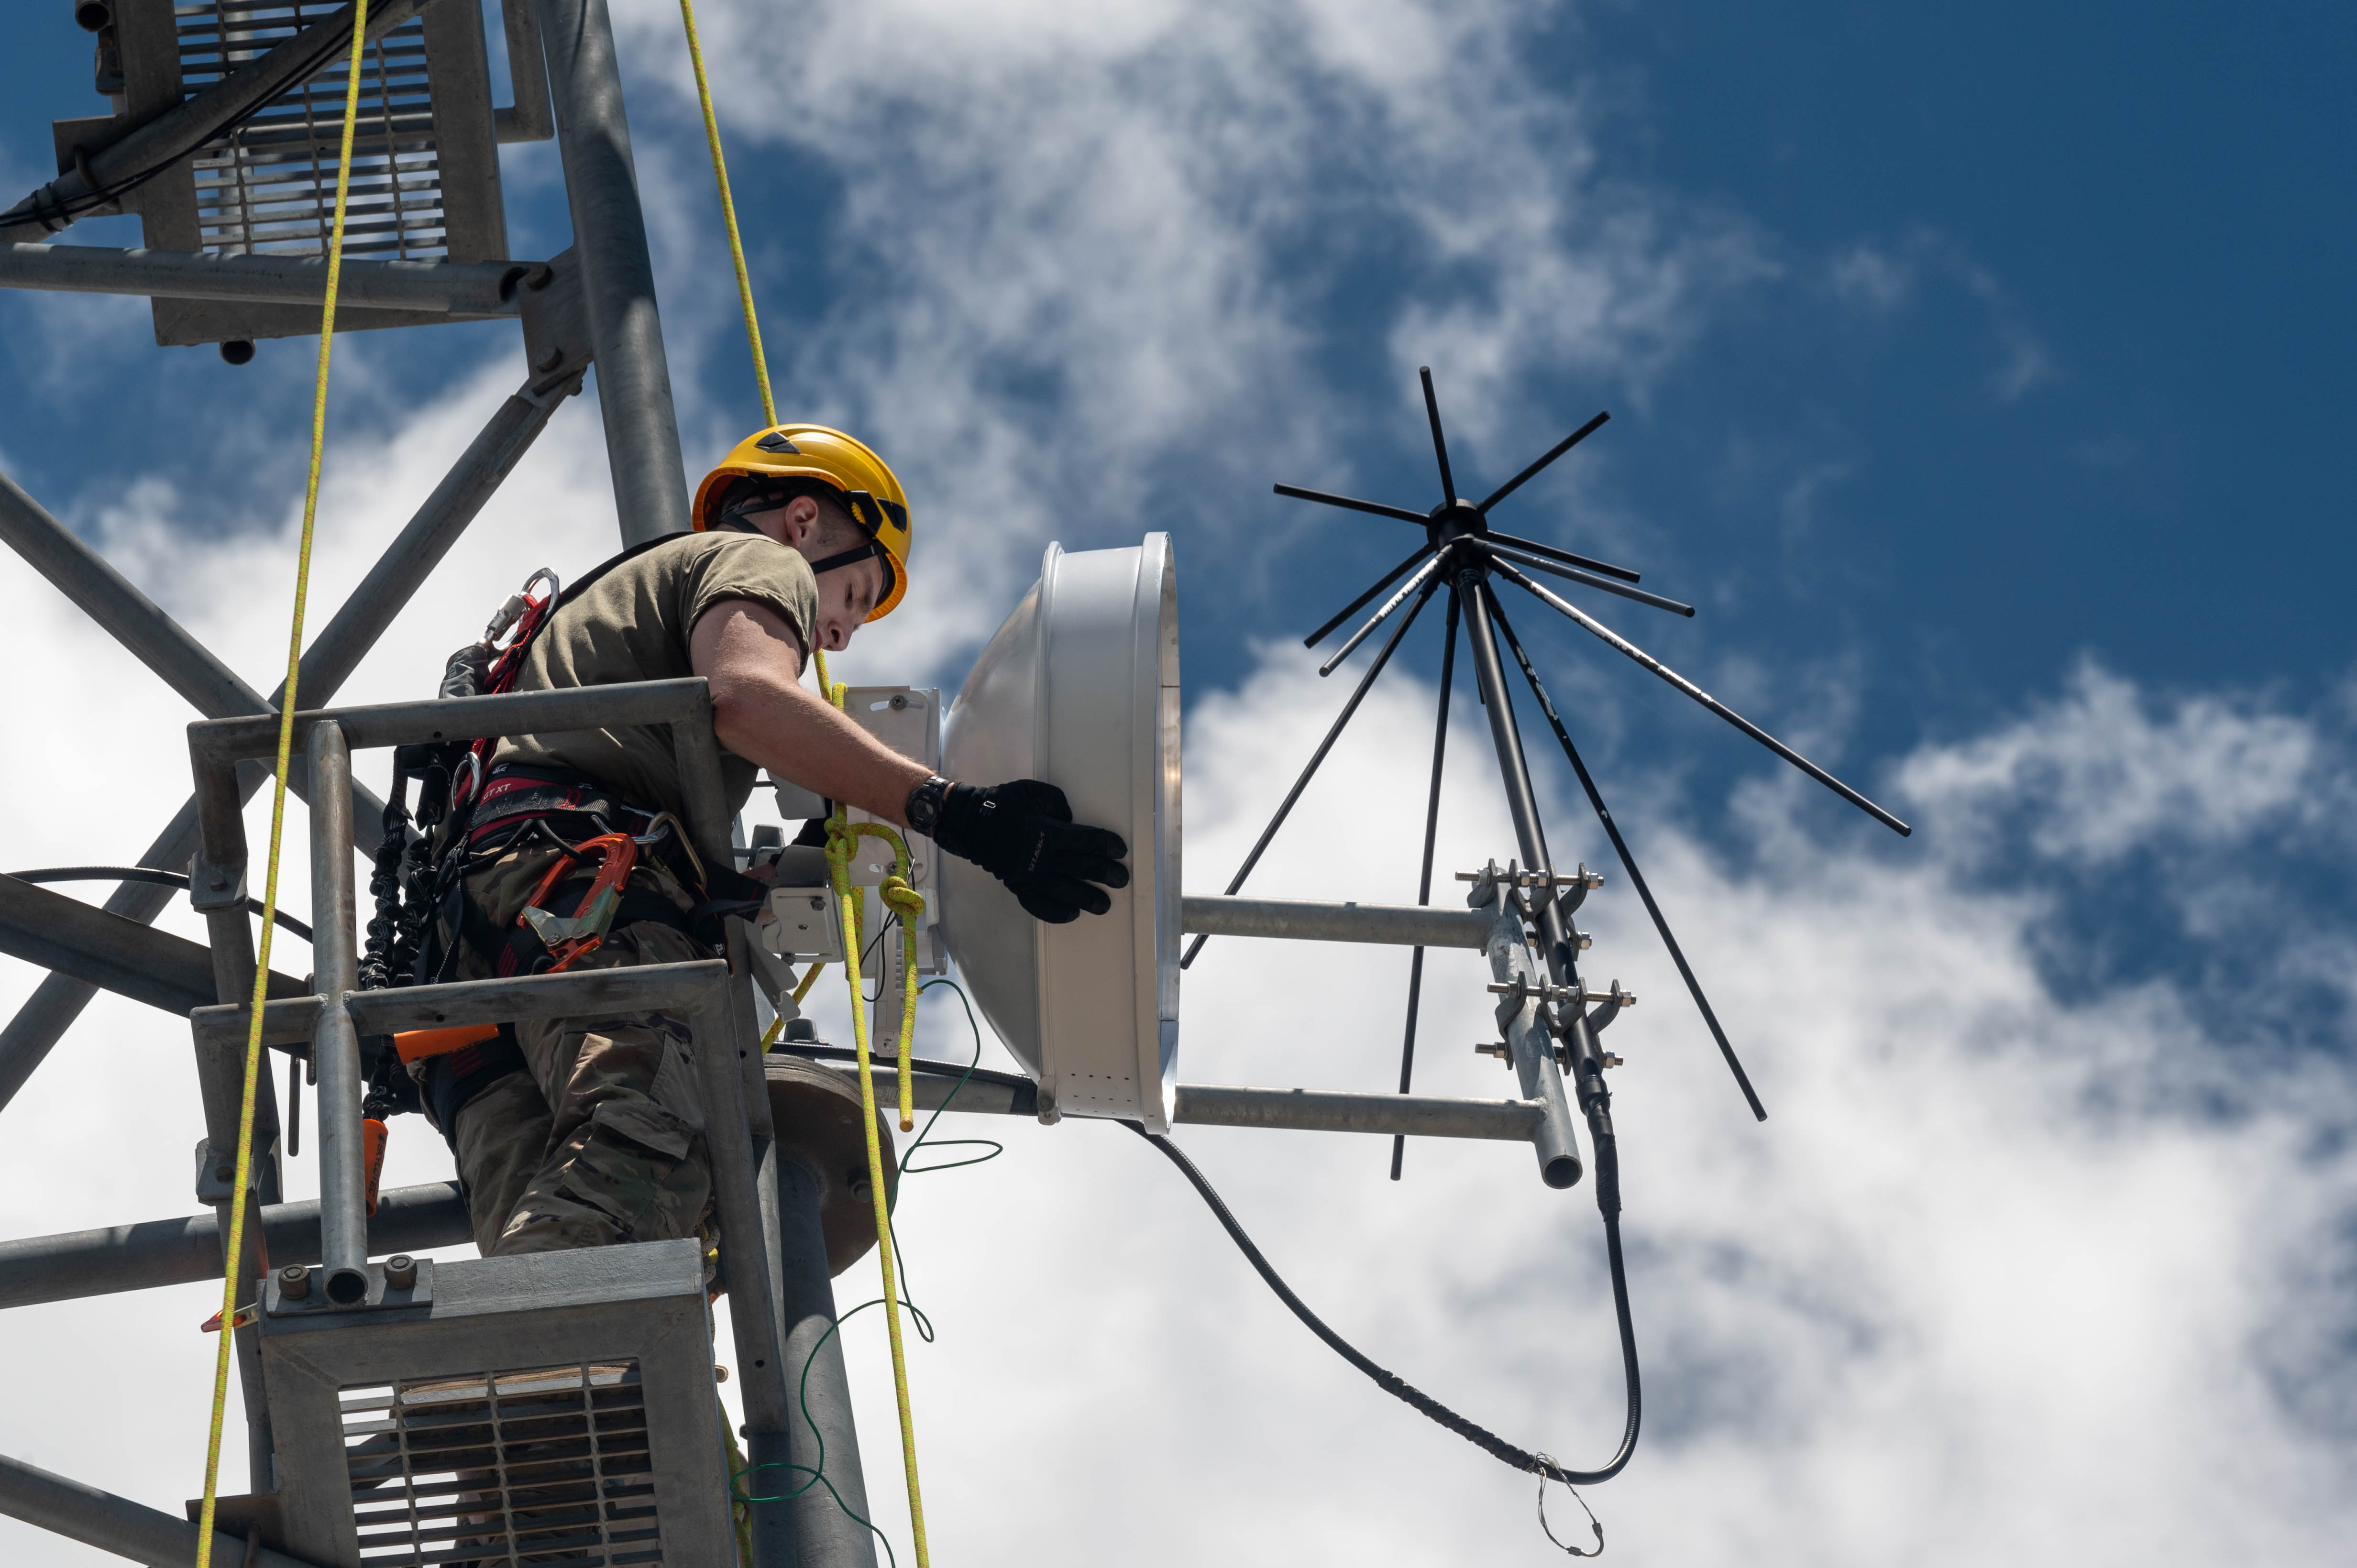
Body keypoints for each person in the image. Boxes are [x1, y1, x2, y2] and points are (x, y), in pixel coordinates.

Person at [415, 424, 1129, 1258]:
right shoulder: (760, 562)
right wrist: (952, 812)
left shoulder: (605, 638)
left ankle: (534, 1378)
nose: (840, 636)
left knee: (555, 1222)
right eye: (856, 597)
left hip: (477, 943)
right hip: (578, 894)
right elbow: (744, 697)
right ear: (801, 520)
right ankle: (553, 1367)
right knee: (654, 1149)